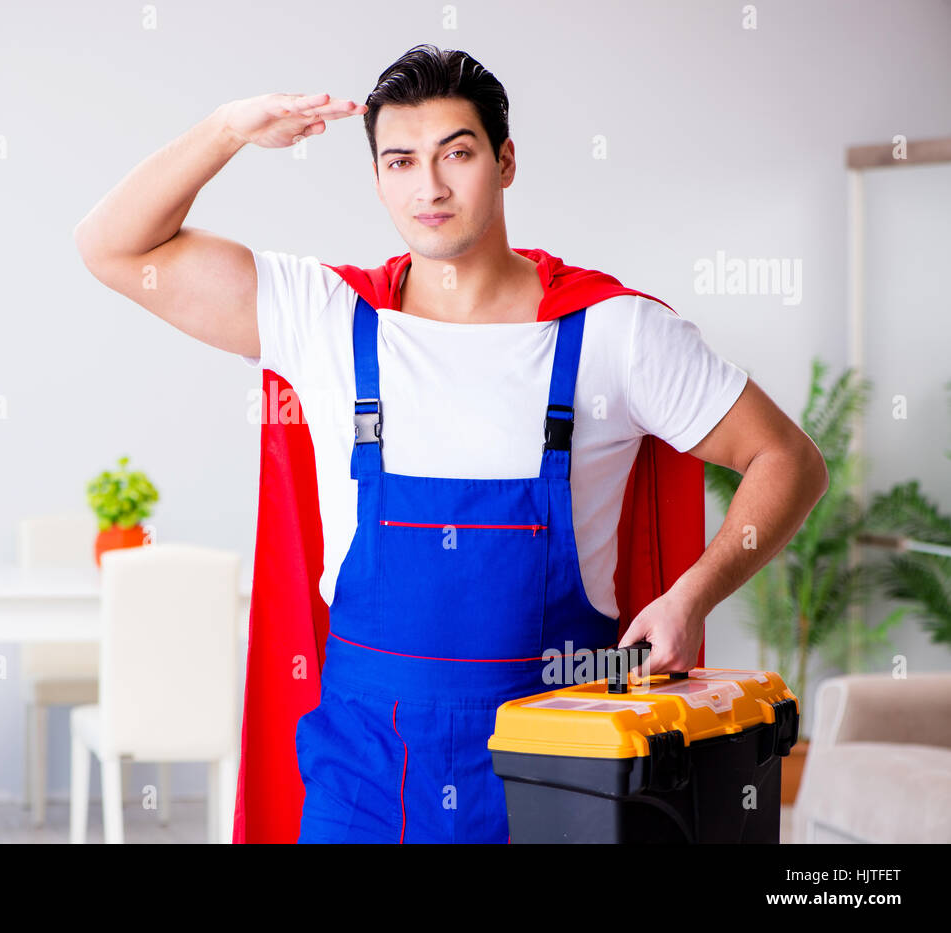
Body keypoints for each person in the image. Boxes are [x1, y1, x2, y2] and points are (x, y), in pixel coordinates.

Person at [73, 44, 829, 843]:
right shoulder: (323, 317)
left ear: (505, 163)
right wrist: (228, 127)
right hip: (359, 777)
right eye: (399, 161)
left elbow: (789, 460)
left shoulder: (613, 336)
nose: (428, 187)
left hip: (554, 767)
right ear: (375, 178)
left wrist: (691, 596)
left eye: (456, 154)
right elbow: (111, 247)